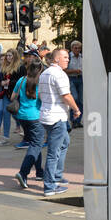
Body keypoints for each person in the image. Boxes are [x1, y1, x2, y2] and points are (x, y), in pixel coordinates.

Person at [38, 48, 81, 196]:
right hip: (57, 117)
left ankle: (56, 176)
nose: (67, 59)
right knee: (53, 152)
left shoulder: (44, 73)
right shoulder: (59, 74)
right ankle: (50, 186)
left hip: (47, 115)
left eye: (67, 57)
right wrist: (76, 110)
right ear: (56, 59)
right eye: (64, 57)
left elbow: (40, 95)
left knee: (64, 143)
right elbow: (66, 96)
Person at [12, 62, 46, 189]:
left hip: (21, 116)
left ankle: (39, 172)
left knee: (34, 143)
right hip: (35, 117)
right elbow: (43, 99)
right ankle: (23, 172)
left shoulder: (21, 80)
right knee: (36, 144)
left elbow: (12, 97)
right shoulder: (40, 82)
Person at [66, 41, 84, 129]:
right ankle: (73, 120)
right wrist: (74, 71)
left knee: (81, 100)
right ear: (72, 48)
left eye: (79, 48)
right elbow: (64, 69)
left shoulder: (82, 57)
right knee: (75, 98)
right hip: (71, 79)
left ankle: (78, 121)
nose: (77, 50)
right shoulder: (69, 57)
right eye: (75, 48)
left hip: (81, 79)